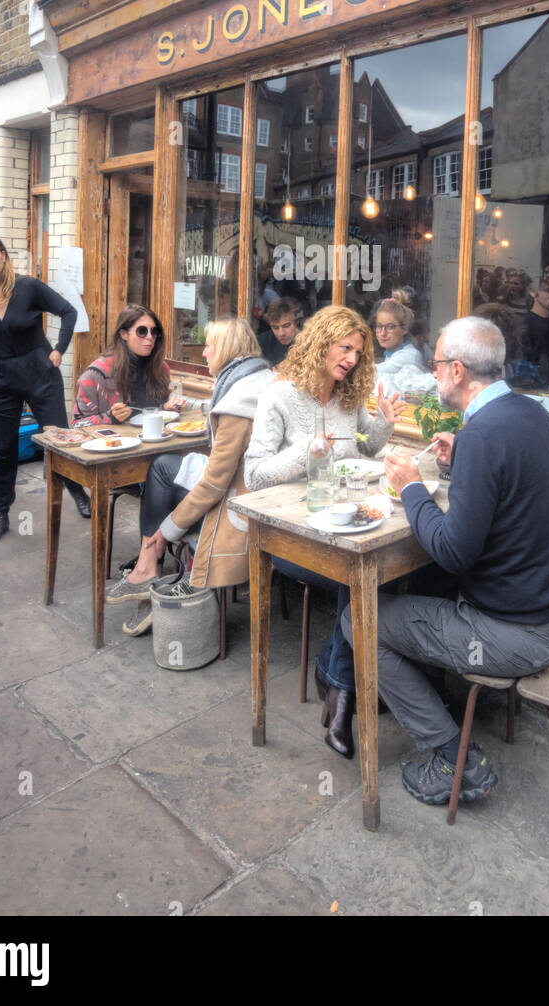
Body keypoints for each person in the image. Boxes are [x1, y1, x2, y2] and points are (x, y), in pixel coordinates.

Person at [342, 316, 549, 807]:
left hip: (515, 634)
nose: (431, 378)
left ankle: (452, 755)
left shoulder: (482, 437)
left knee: (357, 619)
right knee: (417, 592)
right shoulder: (532, 415)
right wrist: (460, 461)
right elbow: (509, 489)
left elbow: (452, 552)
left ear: (456, 371)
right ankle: (436, 706)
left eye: (435, 368)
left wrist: (410, 485)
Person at [244, 306, 407, 758]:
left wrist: (385, 421)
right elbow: (253, 475)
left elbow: (364, 447)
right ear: (320, 343)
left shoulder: (347, 397)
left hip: (342, 523)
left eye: (359, 351)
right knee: (357, 575)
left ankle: (337, 685)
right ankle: (343, 690)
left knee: (370, 566)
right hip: (291, 536)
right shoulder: (279, 397)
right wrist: (305, 453)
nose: (353, 359)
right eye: (346, 348)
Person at [106, 318, 272, 635]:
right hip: (251, 487)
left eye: (209, 345)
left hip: (239, 503)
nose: (204, 353)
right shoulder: (256, 376)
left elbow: (214, 483)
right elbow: (216, 410)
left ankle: (148, 565)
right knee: (164, 466)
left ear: (226, 349)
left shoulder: (239, 402)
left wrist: (167, 531)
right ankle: (149, 568)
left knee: (160, 470)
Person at [0, 231, 90, 544]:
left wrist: (59, 350)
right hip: (0, 379)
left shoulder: (27, 287)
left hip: (39, 371)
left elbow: (68, 312)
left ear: (4, 255)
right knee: (4, 449)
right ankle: (0, 514)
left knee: (59, 439)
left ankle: (77, 491)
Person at [72, 304, 183, 426]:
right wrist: (109, 417)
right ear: (124, 334)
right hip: (115, 443)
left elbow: (148, 413)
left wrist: (167, 408)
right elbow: (77, 425)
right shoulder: (95, 375)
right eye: (142, 331)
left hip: (156, 441)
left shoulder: (160, 369)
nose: (150, 337)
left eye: (154, 331)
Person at [371, 294, 427, 389]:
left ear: (404, 329)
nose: (383, 333)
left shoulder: (410, 355)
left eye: (390, 327)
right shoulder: (391, 352)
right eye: (379, 326)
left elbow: (372, 372)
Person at [256, 297, 302, 367]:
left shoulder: (308, 342)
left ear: (297, 322)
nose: (281, 333)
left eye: (286, 326)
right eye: (275, 328)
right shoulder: (262, 341)